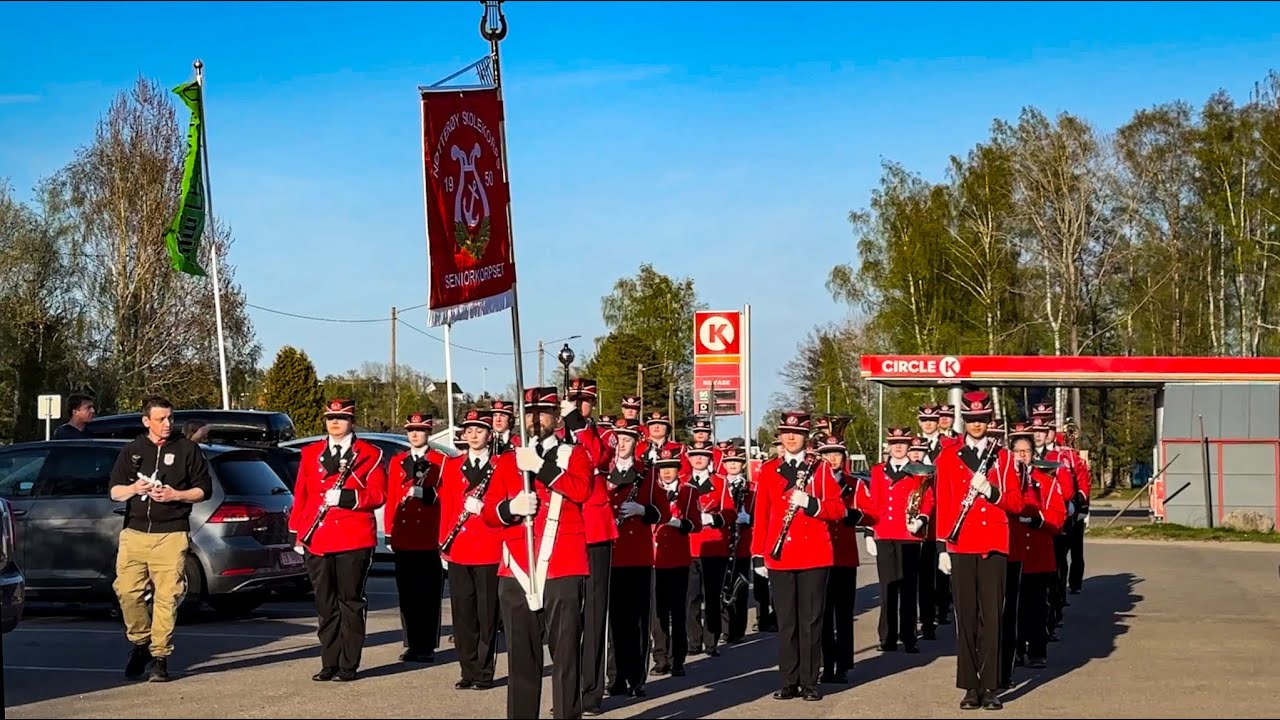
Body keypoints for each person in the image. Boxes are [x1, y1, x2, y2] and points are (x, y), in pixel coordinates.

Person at [481, 386, 593, 720]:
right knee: (521, 661)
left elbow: (581, 490)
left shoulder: (574, 454)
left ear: (556, 417)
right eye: (529, 412)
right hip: (517, 568)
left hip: (563, 566)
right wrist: (510, 507)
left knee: (566, 657)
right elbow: (488, 513)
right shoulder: (506, 461)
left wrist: (542, 469)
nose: (535, 419)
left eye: (542, 412)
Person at [108, 395, 213, 682]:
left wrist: (175, 495)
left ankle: (160, 657)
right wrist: (133, 488)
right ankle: (140, 643)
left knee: (167, 598)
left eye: (170, 418)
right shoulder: (132, 450)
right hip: (135, 533)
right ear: (146, 421)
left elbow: (204, 490)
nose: (167, 424)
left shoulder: (187, 450)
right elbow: (114, 491)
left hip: (171, 533)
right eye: (160, 419)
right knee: (127, 592)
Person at [288, 398, 388, 682]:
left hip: (352, 537)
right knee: (325, 603)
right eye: (330, 417)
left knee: (350, 602)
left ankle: (348, 664)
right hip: (316, 537)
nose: (334, 423)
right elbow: (302, 493)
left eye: (341, 418)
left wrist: (347, 497)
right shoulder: (310, 453)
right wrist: (298, 532)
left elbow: (379, 495)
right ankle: (328, 661)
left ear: (352, 422)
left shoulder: (370, 454)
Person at [934, 390, 1023, 710]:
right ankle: (970, 686)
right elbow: (943, 502)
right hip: (961, 545)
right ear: (965, 421)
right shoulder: (947, 457)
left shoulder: (1004, 458)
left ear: (989, 421)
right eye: (971, 420)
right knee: (966, 618)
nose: (976, 424)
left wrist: (993, 492)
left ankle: (991, 686)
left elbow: (1016, 503)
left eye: (982, 419)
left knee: (992, 618)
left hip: (994, 545)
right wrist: (943, 546)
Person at [751, 411, 848, 702]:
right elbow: (762, 515)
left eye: (796, 434)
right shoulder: (769, 470)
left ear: (806, 438)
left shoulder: (819, 469)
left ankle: (809, 681)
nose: (790, 438)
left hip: (814, 553)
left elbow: (837, 509)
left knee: (811, 621)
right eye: (785, 433)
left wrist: (812, 503)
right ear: (780, 437)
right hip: (780, 554)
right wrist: (758, 554)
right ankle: (788, 680)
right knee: (787, 622)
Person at [560, 377, 616, 716]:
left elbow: (597, 457)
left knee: (594, 616)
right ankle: (566, 692)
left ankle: (592, 691)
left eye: (584, 401)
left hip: (594, 531)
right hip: (562, 530)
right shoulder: (556, 435)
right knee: (565, 619)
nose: (579, 406)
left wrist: (578, 426)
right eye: (573, 400)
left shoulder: (602, 434)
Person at [439, 409, 505, 689]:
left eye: (480, 430)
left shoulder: (502, 465)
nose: (474, 435)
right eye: (470, 431)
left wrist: (484, 508)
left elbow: (506, 504)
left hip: (489, 547)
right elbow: (446, 507)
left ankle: (484, 671)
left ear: (490, 436)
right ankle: (467, 669)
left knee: (487, 613)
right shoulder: (452, 466)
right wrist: (443, 546)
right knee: (463, 613)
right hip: (460, 548)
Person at [605, 418, 667, 699]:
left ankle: (636, 678)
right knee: (614, 621)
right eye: (618, 439)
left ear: (636, 443)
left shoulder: (648, 473)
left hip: (639, 556)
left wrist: (643, 510)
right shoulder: (601, 472)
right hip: (610, 555)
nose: (622, 444)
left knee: (638, 620)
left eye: (627, 439)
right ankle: (615, 677)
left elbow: (662, 512)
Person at [383, 412, 446, 664]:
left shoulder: (441, 461)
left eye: (420, 430)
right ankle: (411, 643)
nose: (415, 434)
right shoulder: (398, 461)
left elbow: (447, 497)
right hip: (405, 535)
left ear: (428, 432)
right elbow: (392, 500)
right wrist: (389, 531)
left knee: (428, 595)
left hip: (429, 535)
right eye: (411, 430)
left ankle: (427, 645)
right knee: (407, 594)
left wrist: (427, 493)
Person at [867, 427, 931, 654]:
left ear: (908, 447)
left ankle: (909, 636)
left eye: (902, 443)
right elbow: (872, 503)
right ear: (888, 446)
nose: (898, 447)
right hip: (884, 533)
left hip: (908, 535)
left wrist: (921, 520)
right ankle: (887, 636)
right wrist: (868, 532)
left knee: (908, 587)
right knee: (888, 587)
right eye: (894, 443)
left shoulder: (918, 471)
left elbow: (927, 500)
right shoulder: (877, 471)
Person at [819, 432, 876, 684]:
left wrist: (855, 516)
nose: (832, 459)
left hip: (844, 556)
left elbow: (871, 513)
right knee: (821, 613)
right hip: (818, 555)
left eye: (837, 454)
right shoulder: (813, 482)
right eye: (827, 454)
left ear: (844, 457)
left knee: (842, 614)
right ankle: (824, 662)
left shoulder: (855, 484)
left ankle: (842, 664)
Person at [1013, 438, 1067, 671]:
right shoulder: (1006, 482)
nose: (1022, 455)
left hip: (1038, 552)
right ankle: (1015, 651)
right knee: (1014, 608)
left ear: (1033, 454)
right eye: (1018, 451)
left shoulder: (1046, 481)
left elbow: (1058, 516)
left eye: (1026, 451)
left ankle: (1037, 651)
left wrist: (1038, 520)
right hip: (1012, 553)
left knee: (1037, 606)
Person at [649, 446, 701, 678]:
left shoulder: (689, 492)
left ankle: (677, 658)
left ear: (678, 469)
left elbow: (696, 524)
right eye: (662, 468)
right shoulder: (651, 491)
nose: (666, 472)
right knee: (657, 613)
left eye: (670, 468)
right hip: (655, 559)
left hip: (679, 559)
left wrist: (680, 524)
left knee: (678, 611)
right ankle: (660, 657)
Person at [686, 440, 737, 659]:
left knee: (712, 596)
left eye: (703, 455)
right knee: (691, 597)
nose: (698, 459)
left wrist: (714, 519)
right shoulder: (683, 482)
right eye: (694, 455)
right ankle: (693, 640)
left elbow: (730, 513)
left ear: (710, 459)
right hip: (689, 546)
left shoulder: (721, 482)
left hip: (713, 546)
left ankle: (711, 640)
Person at [716, 443, 756, 644]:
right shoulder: (719, 485)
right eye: (729, 461)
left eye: (736, 462)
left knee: (739, 588)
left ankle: (737, 631)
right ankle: (724, 629)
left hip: (742, 546)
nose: (732, 465)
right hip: (723, 544)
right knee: (723, 588)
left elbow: (760, 515)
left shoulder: (752, 489)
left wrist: (748, 518)